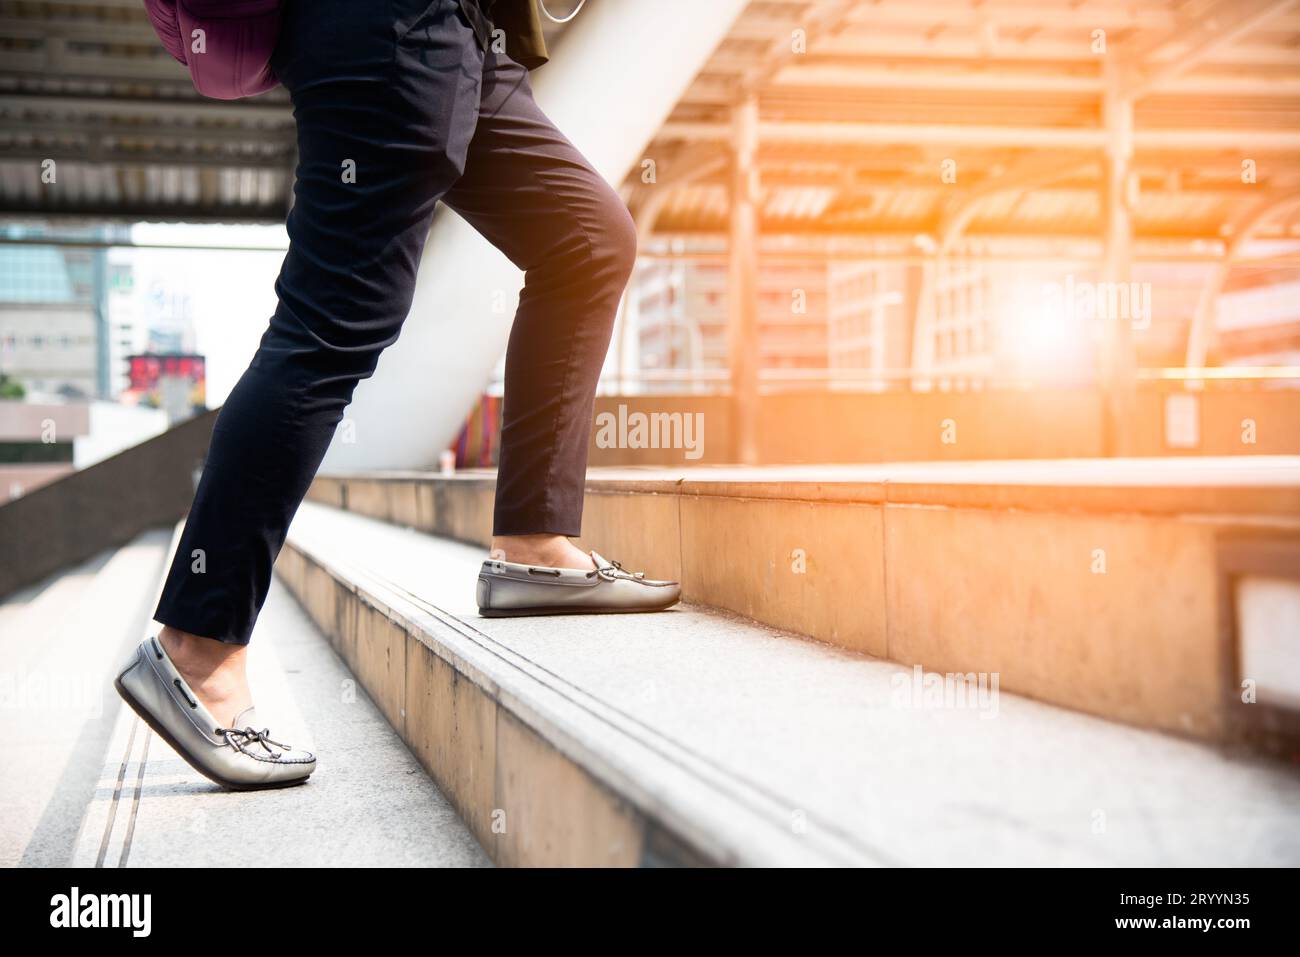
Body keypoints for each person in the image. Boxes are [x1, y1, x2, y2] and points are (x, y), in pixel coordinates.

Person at [115, 0, 680, 792]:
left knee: (586, 237)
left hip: (466, 38)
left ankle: (535, 545)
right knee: (331, 321)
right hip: (391, 30)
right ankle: (197, 649)